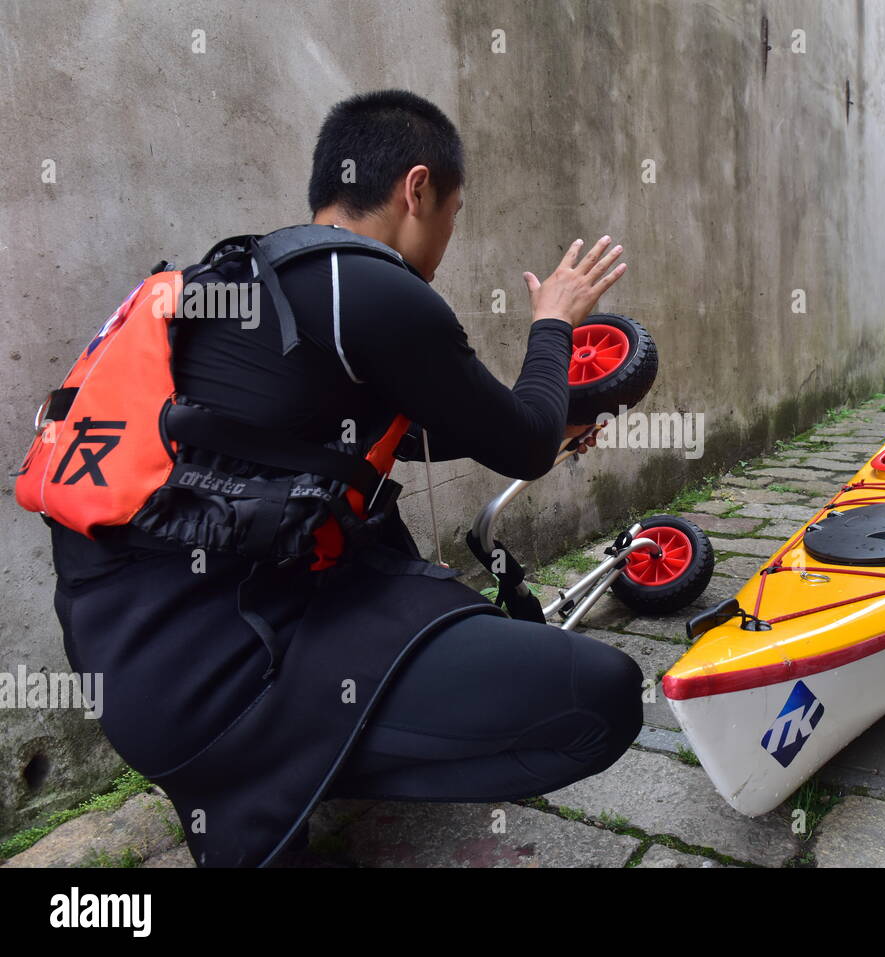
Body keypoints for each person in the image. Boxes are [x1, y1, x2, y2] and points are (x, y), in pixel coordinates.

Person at [47, 89, 643, 867]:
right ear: (417, 189)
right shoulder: (373, 289)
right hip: (220, 671)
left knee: (421, 606)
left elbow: (384, 438)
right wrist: (555, 323)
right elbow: (524, 441)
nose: (448, 239)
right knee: (600, 695)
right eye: (454, 214)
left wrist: (548, 430)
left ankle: (280, 774)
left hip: (130, 657)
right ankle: (286, 765)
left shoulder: (255, 280)